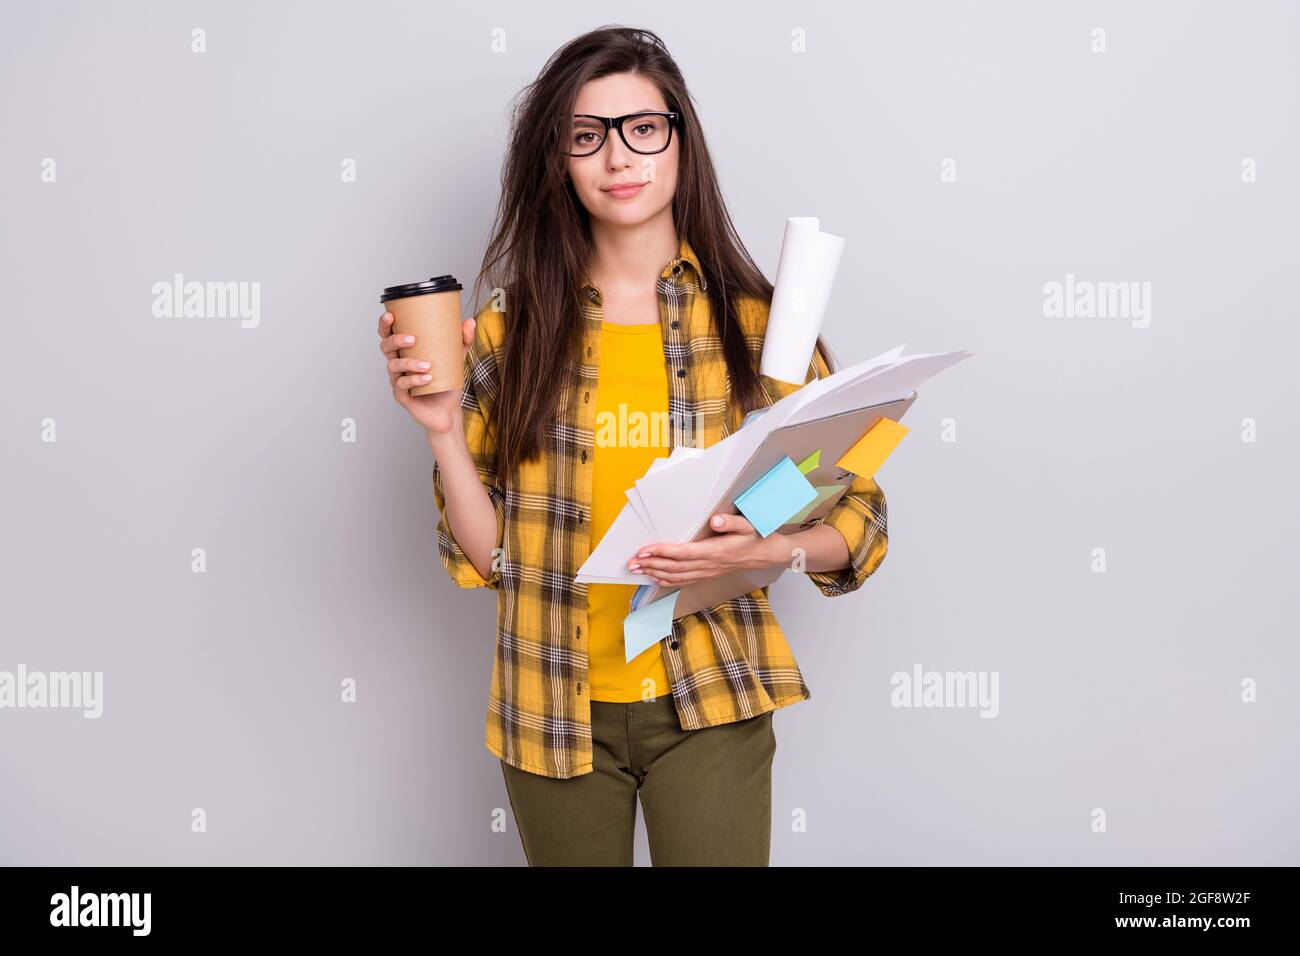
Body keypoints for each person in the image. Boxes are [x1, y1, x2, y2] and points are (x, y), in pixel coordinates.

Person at [377, 26, 889, 866]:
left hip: (713, 694)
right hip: (551, 707)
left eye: (643, 128)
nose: (619, 156)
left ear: (681, 140)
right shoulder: (511, 332)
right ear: (560, 163)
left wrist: (772, 547)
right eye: (588, 136)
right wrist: (442, 435)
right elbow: (490, 555)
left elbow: (858, 514)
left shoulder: (761, 327)